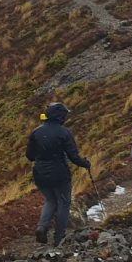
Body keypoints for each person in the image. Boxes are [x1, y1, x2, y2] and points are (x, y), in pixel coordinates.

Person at [26, 102, 92, 245]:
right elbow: (73, 157)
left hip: (40, 173)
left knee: (50, 200)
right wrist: (85, 163)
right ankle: (59, 236)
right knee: (63, 202)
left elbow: (30, 156)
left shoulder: (36, 132)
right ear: (60, 116)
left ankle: (42, 227)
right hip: (59, 173)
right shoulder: (64, 132)